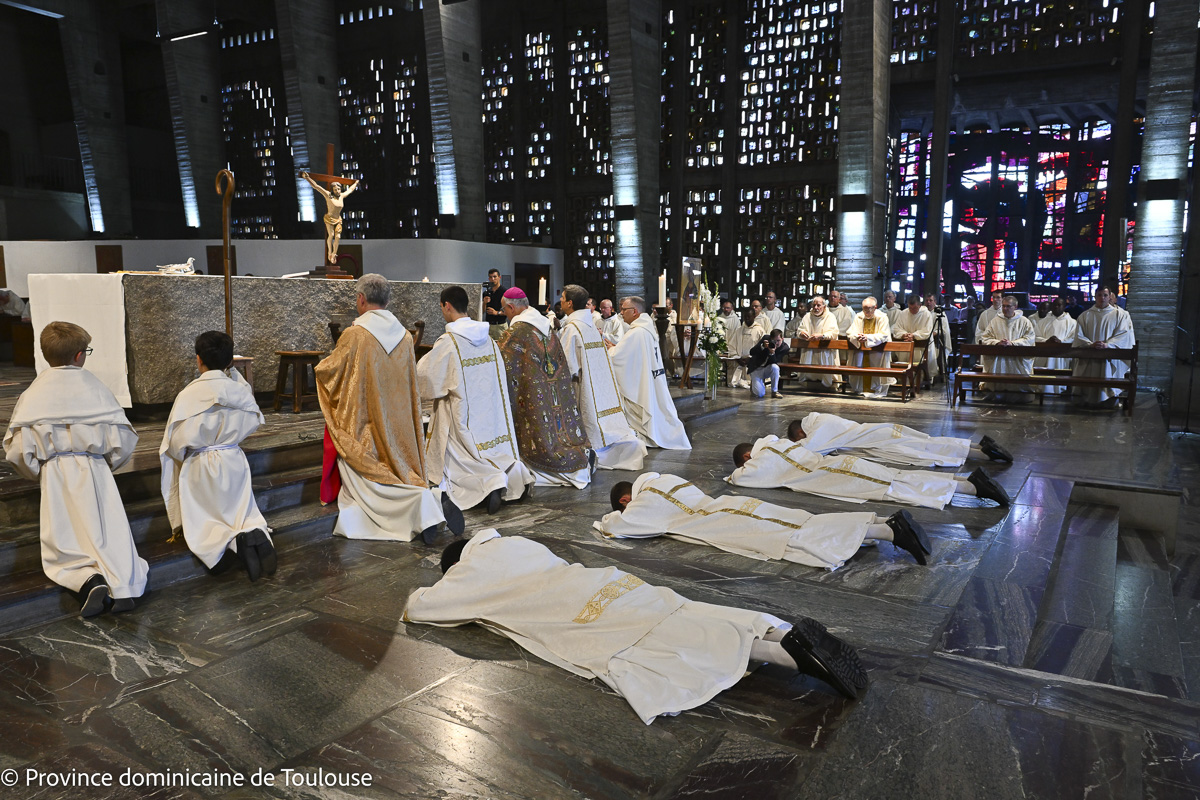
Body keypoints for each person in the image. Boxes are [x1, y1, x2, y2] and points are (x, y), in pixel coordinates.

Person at [404, 530, 871, 724]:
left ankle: (784, 655)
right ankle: (772, 632)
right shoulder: (514, 542)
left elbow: (420, 609)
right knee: (682, 611)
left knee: (665, 642)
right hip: (604, 583)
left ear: (455, 565)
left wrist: (435, 586)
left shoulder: (466, 576)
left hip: (577, 609)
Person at [4, 322, 147, 616]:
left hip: (56, 472)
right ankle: (123, 585)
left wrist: (36, 471)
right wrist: (108, 463)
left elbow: (18, 451)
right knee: (108, 532)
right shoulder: (96, 390)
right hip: (95, 469)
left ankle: (87, 580)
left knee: (64, 537)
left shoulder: (33, 396)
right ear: (80, 356)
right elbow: (123, 439)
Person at [316, 274, 451, 543]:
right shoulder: (403, 335)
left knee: (368, 471)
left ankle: (421, 505)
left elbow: (331, 372)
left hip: (367, 426)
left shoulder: (355, 334)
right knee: (400, 467)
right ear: (388, 300)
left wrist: (320, 369)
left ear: (361, 299)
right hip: (398, 427)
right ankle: (429, 501)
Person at [599, 473, 933, 568]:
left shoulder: (641, 505)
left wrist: (608, 519)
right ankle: (886, 525)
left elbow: (617, 526)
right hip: (733, 504)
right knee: (797, 521)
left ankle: (889, 532)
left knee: (789, 538)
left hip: (716, 523)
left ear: (626, 500)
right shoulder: (665, 478)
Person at [159, 331, 275, 582]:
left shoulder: (188, 395)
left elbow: (175, 442)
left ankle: (226, 550)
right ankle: (250, 532)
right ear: (229, 362)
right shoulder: (239, 391)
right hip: (232, 459)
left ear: (198, 359)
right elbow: (254, 420)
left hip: (200, 465)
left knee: (206, 526)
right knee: (240, 513)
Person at [418, 286, 534, 516]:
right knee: (495, 455)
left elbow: (426, 378)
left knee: (457, 462)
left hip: (462, 418)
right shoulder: (489, 339)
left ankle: (490, 484)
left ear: (446, 306)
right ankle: (514, 475)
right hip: (489, 419)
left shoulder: (449, 342)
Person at [729, 436, 1011, 512]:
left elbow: (743, 477)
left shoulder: (759, 462)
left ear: (746, 457)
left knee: (894, 487)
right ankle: (965, 482)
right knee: (897, 475)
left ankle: (971, 488)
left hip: (835, 475)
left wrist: (731, 475)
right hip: (840, 463)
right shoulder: (779, 442)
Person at [499, 288, 594, 487]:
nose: (504, 314)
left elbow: (504, 362)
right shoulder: (546, 326)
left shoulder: (517, 331)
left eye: (504, 310)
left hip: (532, 392)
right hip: (552, 389)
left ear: (510, 307)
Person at [558, 284, 647, 471]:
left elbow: (566, 367)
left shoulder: (572, 329)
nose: (560, 301)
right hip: (596, 388)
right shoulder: (590, 326)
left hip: (581, 386)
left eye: (563, 298)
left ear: (570, 303)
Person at [609, 296, 692, 450]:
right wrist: (616, 347)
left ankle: (644, 433)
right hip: (651, 377)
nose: (621, 312)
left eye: (624, 309)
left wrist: (610, 349)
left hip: (641, 382)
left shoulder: (637, 332)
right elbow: (632, 354)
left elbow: (618, 358)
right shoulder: (645, 329)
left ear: (634, 311)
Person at [785, 413, 1013, 465]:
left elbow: (810, 448)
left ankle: (981, 453)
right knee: (927, 440)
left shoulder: (820, 429)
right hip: (879, 430)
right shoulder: (822, 418)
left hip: (877, 438)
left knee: (922, 449)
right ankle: (977, 445)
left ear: (800, 433)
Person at [1072, 286, 1135, 407]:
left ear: (1110, 297)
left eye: (1105, 295)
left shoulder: (1120, 315)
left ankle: (1109, 402)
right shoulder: (1085, 315)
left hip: (1109, 357)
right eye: (1099, 295)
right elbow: (1078, 336)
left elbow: (1123, 335)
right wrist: (1090, 344)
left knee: (1107, 378)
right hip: (1089, 356)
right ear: (1095, 297)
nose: (1102, 298)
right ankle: (1087, 403)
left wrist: (1108, 345)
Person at [980, 295, 1037, 401]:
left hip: (1017, 359)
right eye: (1004, 306)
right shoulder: (995, 321)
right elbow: (985, 337)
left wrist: (1013, 343)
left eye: (1008, 306)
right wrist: (997, 343)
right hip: (999, 357)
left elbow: (1029, 338)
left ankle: (1019, 397)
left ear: (1015, 306)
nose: (1005, 309)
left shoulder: (1024, 321)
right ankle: (996, 395)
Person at [300, 171, 359, 265]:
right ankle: (329, 253)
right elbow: (316, 186)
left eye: (339, 189)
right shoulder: (328, 195)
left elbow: (350, 190)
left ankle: (334, 254)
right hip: (329, 218)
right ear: (332, 190)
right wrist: (307, 178)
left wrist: (355, 183)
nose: (338, 191)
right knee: (331, 235)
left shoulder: (342, 196)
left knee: (338, 236)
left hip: (338, 219)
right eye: (335, 189)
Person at [846, 297, 893, 398]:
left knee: (877, 369)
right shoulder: (859, 317)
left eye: (869, 308)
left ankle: (877, 390)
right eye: (864, 308)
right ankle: (860, 389)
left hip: (878, 351)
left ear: (875, 307)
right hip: (861, 350)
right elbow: (850, 332)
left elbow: (884, 335)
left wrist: (867, 338)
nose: (867, 311)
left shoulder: (882, 317)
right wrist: (857, 337)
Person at [792, 295, 841, 390]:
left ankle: (827, 386)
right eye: (814, 305)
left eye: (818, 305)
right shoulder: (807, 316)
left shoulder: (830, 317)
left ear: (824, 306)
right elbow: (801, 329)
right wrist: (802, 333)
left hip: (825, 349)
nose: (816, 308)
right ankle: (809, 384)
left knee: (825, 370)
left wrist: (822, 336)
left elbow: (833, 332)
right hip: (809, 348)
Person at [1034, 297, 1079, 394]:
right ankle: (1041, 390)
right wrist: (1046, 341)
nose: (1056, 307)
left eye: (1059, 305)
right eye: (1054, 305)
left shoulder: (1072, 323)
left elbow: (1074, 338)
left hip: (1062, 355)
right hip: (1045, 353)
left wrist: (1061, 342)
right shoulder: (1043, 321)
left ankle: (1060, 390)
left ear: (1064, 307)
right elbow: (1035, 336)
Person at [891, 294, 934, 384]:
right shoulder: (903, 313)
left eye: (914, 308)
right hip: (906, 346)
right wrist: (904, 335)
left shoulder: (926, 314)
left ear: (920, 305)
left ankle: (918, 381)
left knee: (918, 361)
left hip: (920, 348)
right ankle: (903, 380)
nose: (912, 311)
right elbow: (896, 328)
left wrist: (914, 335)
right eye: (910, 308)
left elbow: (927, 331)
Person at [745, 328, 789, 399]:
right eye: (774, 341)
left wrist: (772, 353)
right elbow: (752, 352)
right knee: (760, 394)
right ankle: (754, 383)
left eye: (778, 341)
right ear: (770, 339)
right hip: (756, 368)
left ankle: (774, 391)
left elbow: (775, 361)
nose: (776, 343)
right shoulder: (765, 339)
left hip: (768, 369)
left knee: (775, 367)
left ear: (782, 339)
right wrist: (762, 346)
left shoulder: (784, 348)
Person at [973, 290, 1006, 372]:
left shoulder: (1006, 313)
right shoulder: (985, 314)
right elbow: (979, 331)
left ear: (1003, 299)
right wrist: (988, 340)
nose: (995, 300)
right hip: (988, 346)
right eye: (994, 297)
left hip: (1002, 347)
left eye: (998, 297)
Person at [924, 293, 953, 383]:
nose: (928, 303)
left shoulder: (940, 313)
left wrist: (935, 332)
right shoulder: (922, 312)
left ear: (935, 302)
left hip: (936, 341)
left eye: (931, 300)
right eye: (927, 300)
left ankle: (934, 373)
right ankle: (922, 373)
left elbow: (944, 330)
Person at [483, 268, 507, 336]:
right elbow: (482, 311)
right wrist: (484, 303)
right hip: (489, 325)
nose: (493, 279)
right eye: (491, 277)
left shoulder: (505, 292)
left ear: (499, 277)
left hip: (500, 325)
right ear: (489, 278)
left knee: (501, 346)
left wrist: (496, 313)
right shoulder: (486, 293)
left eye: (494, 276)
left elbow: (509, 311)